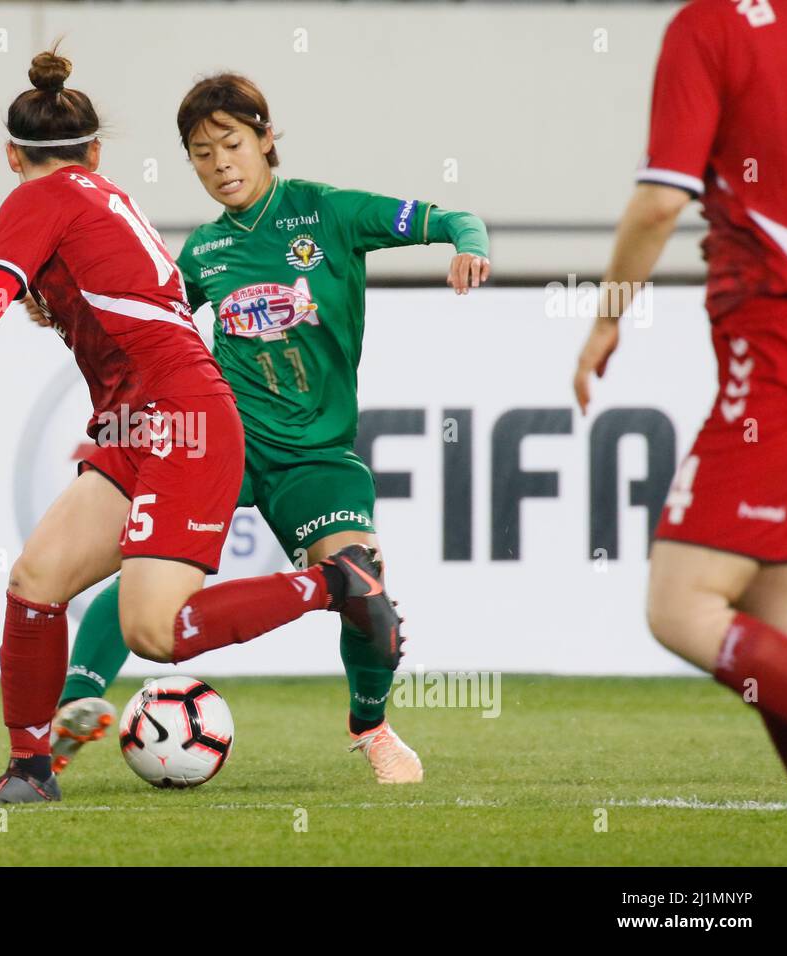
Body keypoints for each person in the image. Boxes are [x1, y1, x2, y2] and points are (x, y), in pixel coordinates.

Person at [0, 50, 401, 805]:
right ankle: (30, 772)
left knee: (156, 633)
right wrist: (58, 303)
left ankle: (335, 580)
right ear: (95, 151)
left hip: (181, 420)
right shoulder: (105, 199)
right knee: (35, 581)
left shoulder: (35, 201)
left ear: (12, 155)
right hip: (138, 422)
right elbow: (146, 302)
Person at [43, 73, 490, 785]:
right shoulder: (203, 253)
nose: (220, 163)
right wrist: (68, 311)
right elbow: (146, 327)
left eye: (231, 143)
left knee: (367, 595)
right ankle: (75, 702)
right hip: (226, 443)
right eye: (200, 152)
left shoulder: (330, 213)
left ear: (265, 140)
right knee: (139, 570)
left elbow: (451, 217)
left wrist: (468, 246)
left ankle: (371, 729)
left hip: (317, 457)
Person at [574, 0, 787, 795]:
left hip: (779, 342)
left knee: (682, 604)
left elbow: (663, 199)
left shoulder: (709, 26)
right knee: (779, 614)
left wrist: (606, 318)